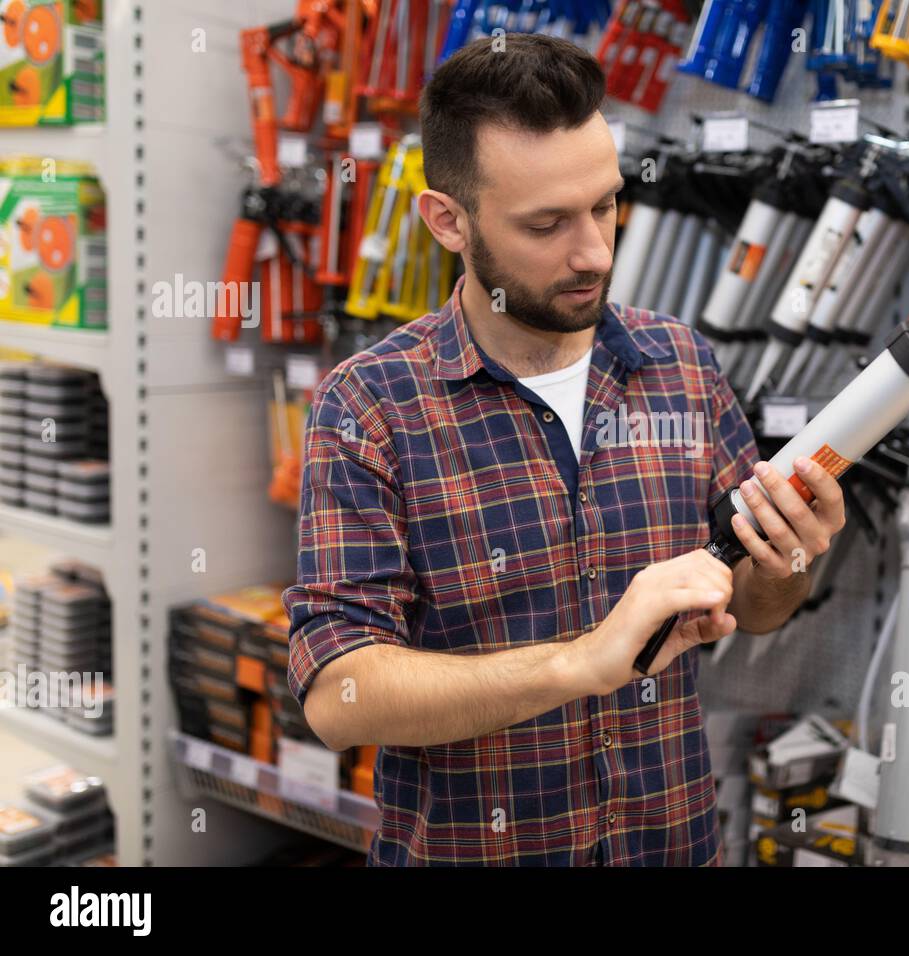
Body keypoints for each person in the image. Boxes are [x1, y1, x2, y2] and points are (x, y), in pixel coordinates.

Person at [283, 33, 847, 866]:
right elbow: (339, 695)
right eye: (546, 224)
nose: (593, 253)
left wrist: (790, 556)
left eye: (606, 206)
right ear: (447, 220)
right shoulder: (371, 406)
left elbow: (756, 608)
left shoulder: (680, 365)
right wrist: (581, 663)